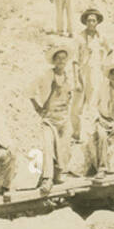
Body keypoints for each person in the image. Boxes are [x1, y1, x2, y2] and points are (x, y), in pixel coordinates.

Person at [29, 43, 75, 194]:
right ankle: (47, 178)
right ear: (54, 61)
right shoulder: (46, 75)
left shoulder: (69, 76)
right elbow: (30, 91)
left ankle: (61, 172)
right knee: (48, 147)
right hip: (49, 118)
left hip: (63, 117)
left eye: (64, 58)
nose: (61, 61)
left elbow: (71, 94)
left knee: (65, 145)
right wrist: (38, 108)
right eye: (58, 59)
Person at [72, 7, 108, 140]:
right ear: (85, 22)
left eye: (93, 20)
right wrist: (76, 79)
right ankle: (76, 133)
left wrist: (105, 64)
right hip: (82, 73)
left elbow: (110, 51)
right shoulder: (80, 38)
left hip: (96, 74)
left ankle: (92, 134)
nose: (91, 23)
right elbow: (75, 60)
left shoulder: (101, 37)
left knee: (93, 104)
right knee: (77, 106)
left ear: (97, 22)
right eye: (88, 21)